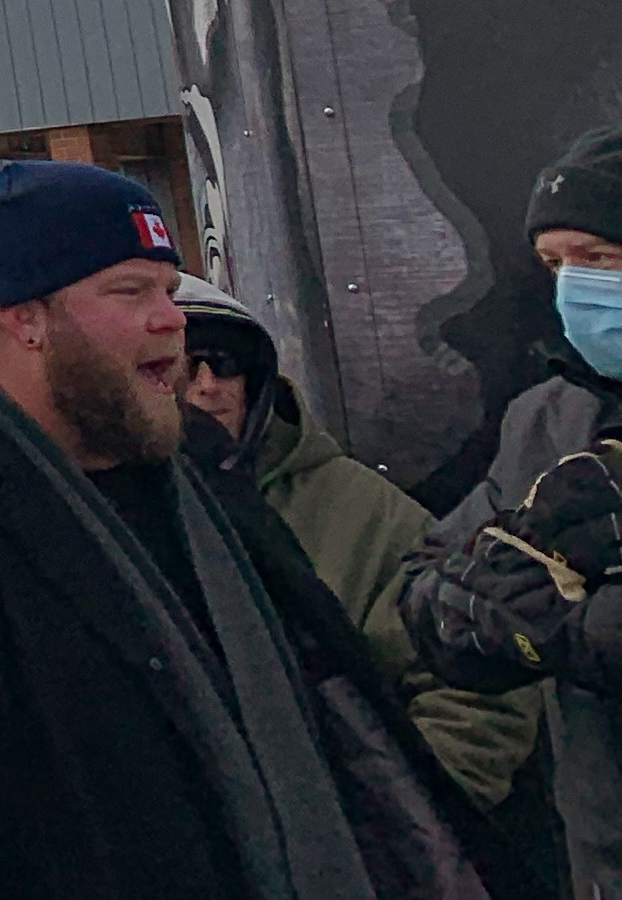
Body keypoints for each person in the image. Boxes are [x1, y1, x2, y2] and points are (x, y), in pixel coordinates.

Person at [0, 159, 510, 900]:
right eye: (130, 292)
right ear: (25, 319)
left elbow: (340, 719)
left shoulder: (203, 473)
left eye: (168, 289)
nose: (172, 318)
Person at [175, 272, 541, 814]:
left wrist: (395, 824)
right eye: (181, 365)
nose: (208, 386)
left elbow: (478, 679)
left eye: (226, 364)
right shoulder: (87, 523)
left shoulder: (359, 509)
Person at [404, 125, 622, 895]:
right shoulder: (551, 418)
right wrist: (475, 610)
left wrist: (581, 625)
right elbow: (430, 574)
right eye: (554, 264)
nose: (573, 289)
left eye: (597, 258)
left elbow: (586, 632)